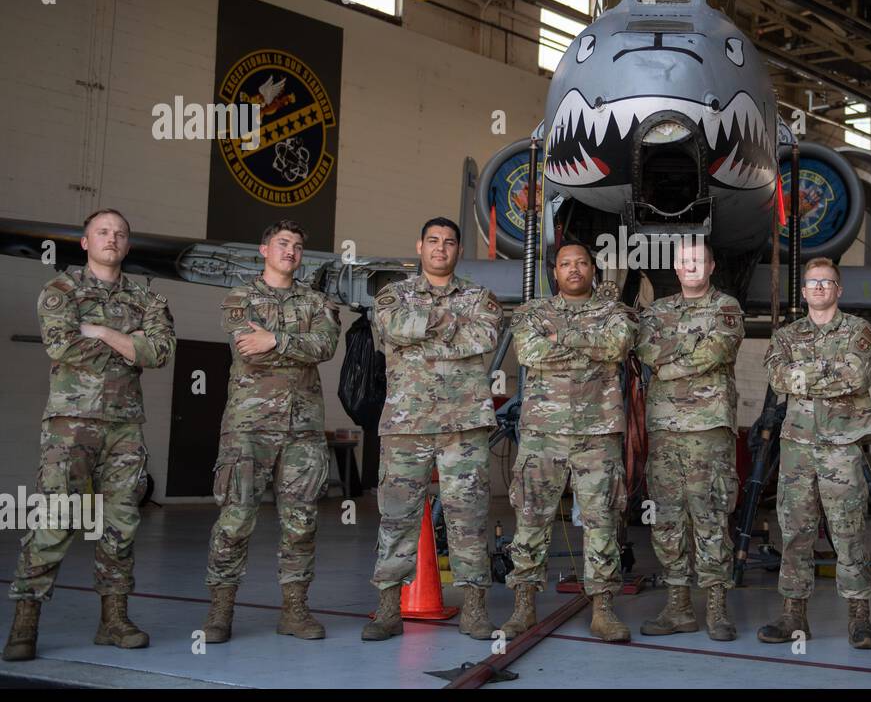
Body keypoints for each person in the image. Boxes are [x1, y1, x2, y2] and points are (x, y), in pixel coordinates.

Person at [4, 209, 175, 661]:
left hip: (125, 427)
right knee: (53, 519)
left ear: (128, 245)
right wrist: (127, 343)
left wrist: (98, 331)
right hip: (70, 424)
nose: (111, 239)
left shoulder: (146, 299)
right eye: (102, 232)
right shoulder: (62, 290)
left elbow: (159, 352)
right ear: (84, 242)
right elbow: (61, 344)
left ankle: (114, 621)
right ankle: (25, 624)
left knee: (121, 524)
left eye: (119, 234)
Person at [363, 218, 503, 641]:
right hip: (407, 424)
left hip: (464, 425)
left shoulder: (480, 297)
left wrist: (422, 329)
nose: (441, 248)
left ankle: (475, 609)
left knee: (469, 516)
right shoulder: (392, 294)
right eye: (433, 241)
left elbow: (485, 337)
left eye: (449, 242)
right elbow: (392, 328)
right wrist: (451, 326)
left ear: (459, 250)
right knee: (397, 516)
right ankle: (388, 608)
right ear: (419, 246)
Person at [202, 220, 340, 643]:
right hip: (248, 428)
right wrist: (289, 344)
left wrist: (275, 340)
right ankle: (220, 612)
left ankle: (294, 611)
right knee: (235, 518)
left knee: (301, 522)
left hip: (302, 429)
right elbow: (248, 349)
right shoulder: (240, 297)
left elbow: (325, 347)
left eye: (298, 246)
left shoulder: (318, 301)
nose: (291, 251)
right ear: (264, 250)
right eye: (283, 244)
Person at [502, 241, 636, 642]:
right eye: (565, 264)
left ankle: (603, 610)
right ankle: (523, 605)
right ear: (554, 272)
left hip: (598, 434)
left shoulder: (615, 313)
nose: (574, 269)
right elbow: (529, 352)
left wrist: (561, 341)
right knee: (530, 519)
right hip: (543, 435)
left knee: (602, 523)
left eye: (581, 263)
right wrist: (589, 344)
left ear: (593, 269)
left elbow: (618, 345)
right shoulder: (531, 313)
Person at [758, 257, 871, 649]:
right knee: (795, 533)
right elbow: (778, 378)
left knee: (849, 531)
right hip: (798, 447)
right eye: (813, 282)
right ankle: (793, 615)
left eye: (827, 282)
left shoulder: (859, 330)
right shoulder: (786, 335)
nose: (820, 288)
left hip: (842, 448)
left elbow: (858, 376)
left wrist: (805, 377)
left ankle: (859, 620)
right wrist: (830, 373)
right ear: (805, 289)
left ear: (838, 289)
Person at [634, 240, 744, 640]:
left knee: (711, 515)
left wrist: (670, 362)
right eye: (685, 261)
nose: (691, 266)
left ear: (711, 266)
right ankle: (678, 606)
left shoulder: (726, 307)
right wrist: (685, 350)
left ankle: (716, 607)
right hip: (664, 429)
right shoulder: (659, 310)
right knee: (667, 520)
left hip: (708, 429)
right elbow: (645, 349)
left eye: (699, 259)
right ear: (677, 268)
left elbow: (717, 351)